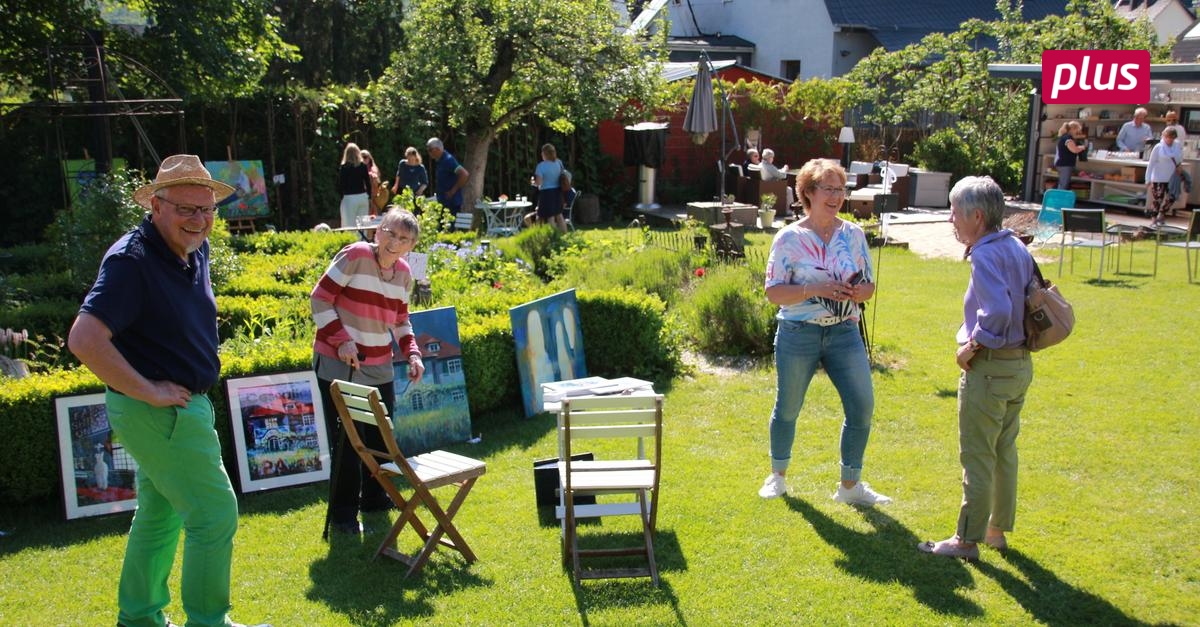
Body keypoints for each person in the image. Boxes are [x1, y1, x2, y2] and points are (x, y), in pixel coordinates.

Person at [67, 154, 269, 627]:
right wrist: (149, 390)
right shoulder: (131, 261)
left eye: (207, 210)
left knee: (159, 517)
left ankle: (138, 618)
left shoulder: (189, 247)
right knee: (215, 516)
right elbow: (84, 339)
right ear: (156, 206)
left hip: (176, 409)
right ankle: (208, 622)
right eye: (185, 209)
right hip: (162, 412)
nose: (198, 220)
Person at [757, 158, 891, 506]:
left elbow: (869, 284)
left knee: (862, 407)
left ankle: (850, 486)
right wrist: (813, 289)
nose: (836, 196)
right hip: (798, 332)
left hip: (844, 332)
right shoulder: (789, 239)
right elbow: (773, 293)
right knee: (788, 407)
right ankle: (778, 476)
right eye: (828, 189)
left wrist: (863, 292)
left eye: (840, 189)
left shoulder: (853, 235)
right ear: (808, 193)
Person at [917, 176, 1035, 561]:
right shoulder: (1014, 244)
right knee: (1004, 451)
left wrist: (972, 346)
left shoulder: (985, 253)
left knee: (978, 455)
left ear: (977, 216)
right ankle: (995, 531)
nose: (951, 219)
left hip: (991, 368)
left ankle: (966, 541)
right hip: (1019, 365)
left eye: (954, 212)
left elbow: (998, 312)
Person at [311, 207, 425, 535]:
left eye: (403, 238)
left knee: (381, 439)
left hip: (379, 366)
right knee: (348, 442)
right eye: (390, 233)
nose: (394, 241)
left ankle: (375, 499)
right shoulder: (356, 254)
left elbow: (401, 321)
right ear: (378, 231)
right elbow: (319, 299)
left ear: (411, 246)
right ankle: (344, 516)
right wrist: (341, 340)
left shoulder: (404, 272)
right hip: (340, 363)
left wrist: (413, 354)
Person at [524, 143, 568, 232]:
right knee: (559, 215)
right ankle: (564, 236)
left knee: (550, 217)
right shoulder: (559, 162)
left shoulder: (541, 166)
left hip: (547, 193)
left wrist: (533, 182)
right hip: (558, 192)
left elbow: (539, 182)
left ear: (544, 154)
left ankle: (554, 238)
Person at [1146, 128, 1183, 227]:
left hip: (1171, 177)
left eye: (1171, 138)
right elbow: (1151, 163)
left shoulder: (1177, 146)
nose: (1169, 140)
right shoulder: (1158, 147)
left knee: (1172, 197)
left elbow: (1179, 159)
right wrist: (1148, 179)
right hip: (1158, 177)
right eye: (1167, 137)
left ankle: (1162, 214)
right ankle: (1154, 219)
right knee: (1158, 199)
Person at [425, 137, 469, 213]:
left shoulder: (448, 160)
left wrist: (452, 191)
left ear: (437, 149)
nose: (429, 153)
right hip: (443, 203)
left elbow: (464, 174)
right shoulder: (440, 160)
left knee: (449, 225)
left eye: (430, 150)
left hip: (451, 204)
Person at [337, 142, 371, 227]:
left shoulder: (344, 167)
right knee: (363, 224)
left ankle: (351, 240)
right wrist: (369, 196)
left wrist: (342, 197)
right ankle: (363, 239)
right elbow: (367, 182)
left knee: (349, 225)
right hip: (362, 197)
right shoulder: (363, 166)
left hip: (349, 197)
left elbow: (341, 185)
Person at [1053, 121, 1086, 190]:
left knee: (1062, 183)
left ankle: (1058, 197)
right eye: (1077, 131)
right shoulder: (1068, 138)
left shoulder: (1063, 137)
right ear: (1073, 129)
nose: (1077, 133)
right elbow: (1074, 150)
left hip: (1061, 163)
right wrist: (1081, 148)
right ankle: (1059, 199)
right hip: (1065, 164)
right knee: (1063, 184)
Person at [360, 149, 389, 215]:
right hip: (362, 194)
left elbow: (378, 181)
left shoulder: (374, 168)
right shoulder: (357, 168)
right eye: (361, 157)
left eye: (365, 157)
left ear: (369, 158)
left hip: (373, 196)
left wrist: (372, 176)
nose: (363, 159)